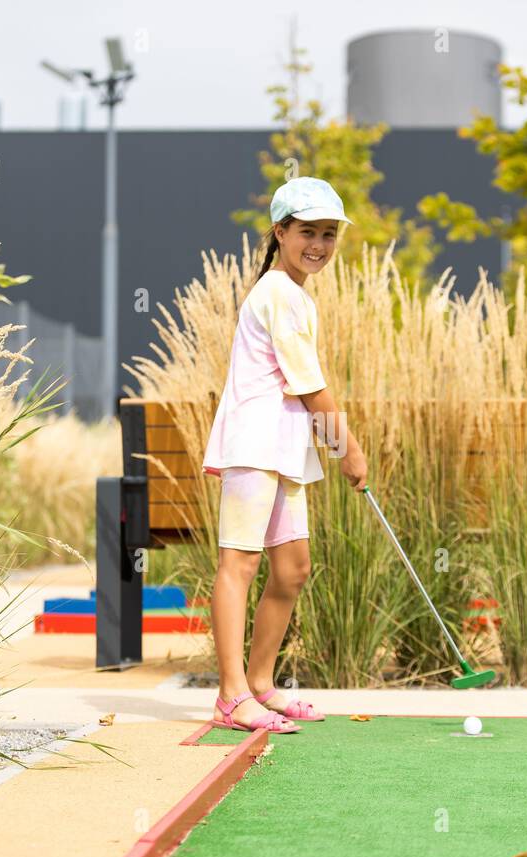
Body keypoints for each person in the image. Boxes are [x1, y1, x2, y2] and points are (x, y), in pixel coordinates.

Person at [201, 177, 368, 733]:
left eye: (328, 234)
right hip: (255, 444)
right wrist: (348, 449)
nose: (318, 244)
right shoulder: (277, 293)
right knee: (239, 564)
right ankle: (230, 697)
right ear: (280, 232)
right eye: (307, 232)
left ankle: (260, 684)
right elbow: (307, 383)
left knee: (293, 570)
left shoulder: (295, 294)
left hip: (286, 448)